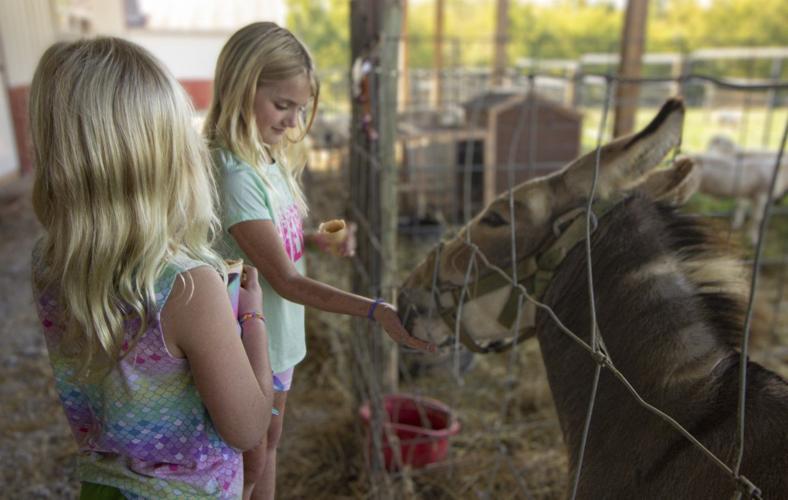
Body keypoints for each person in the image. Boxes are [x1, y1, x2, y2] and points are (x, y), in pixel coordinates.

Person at [30, 37, 274, 499]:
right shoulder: (187, 286)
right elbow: (247, 427)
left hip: (103, 486)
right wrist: (252, 316)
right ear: (161, 161)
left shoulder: (48, 261)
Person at [203, 22, 436, 500]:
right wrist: (375, 310)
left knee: (267, 446)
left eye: (300, 108)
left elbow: (261, 245)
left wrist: (310, 240)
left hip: (276, 339)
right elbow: (285, 281)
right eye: (282, 105)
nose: (293, 121)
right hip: (245, 345)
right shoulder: (235, 175)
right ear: (240, 87)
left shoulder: (266, 158)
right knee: (246, 461)